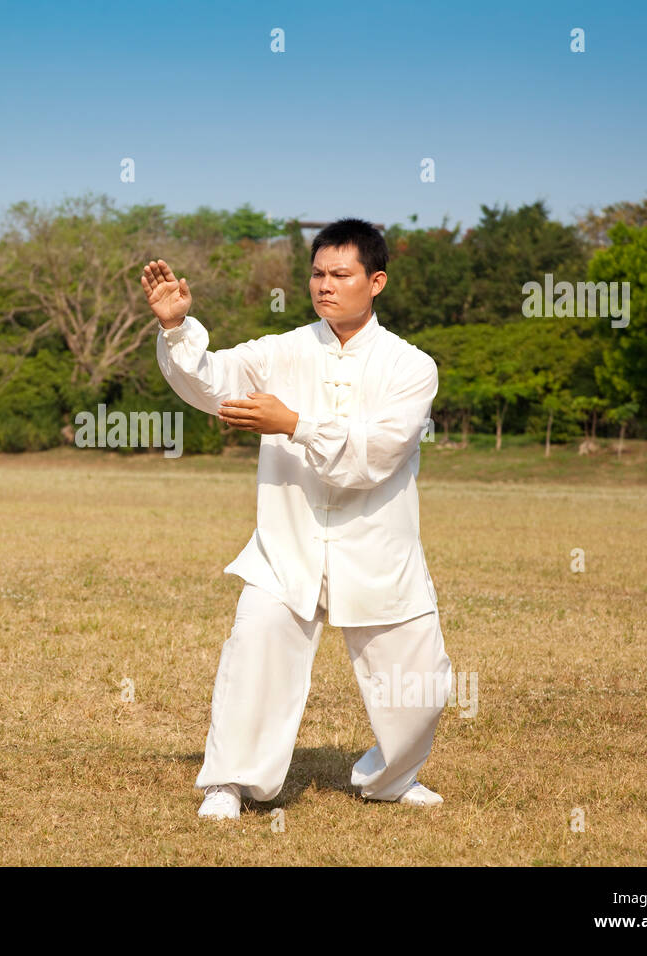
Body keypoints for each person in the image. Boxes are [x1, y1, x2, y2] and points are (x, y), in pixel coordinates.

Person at [141, 218, 452, 820]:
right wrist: (176, 328)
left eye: (341, 274)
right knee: (254, 650)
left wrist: (295, 424)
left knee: (420, 686)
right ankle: (230, 783)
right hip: (287, 545)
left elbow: (375, 455)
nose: (324, 286)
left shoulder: (411, 367)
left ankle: (390, 779)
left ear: (377, 280)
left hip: (378, 546)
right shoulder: (281, 350)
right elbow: (211, 382)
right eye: (316, 273)